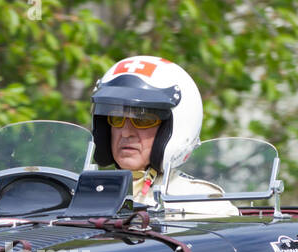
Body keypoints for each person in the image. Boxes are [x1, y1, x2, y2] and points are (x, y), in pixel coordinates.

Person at [90, 55, 238, 215]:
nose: (126, 132)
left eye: (143, 120)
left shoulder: (202, 203)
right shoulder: (87, 195)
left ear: (172, 129)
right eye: (117, 118)